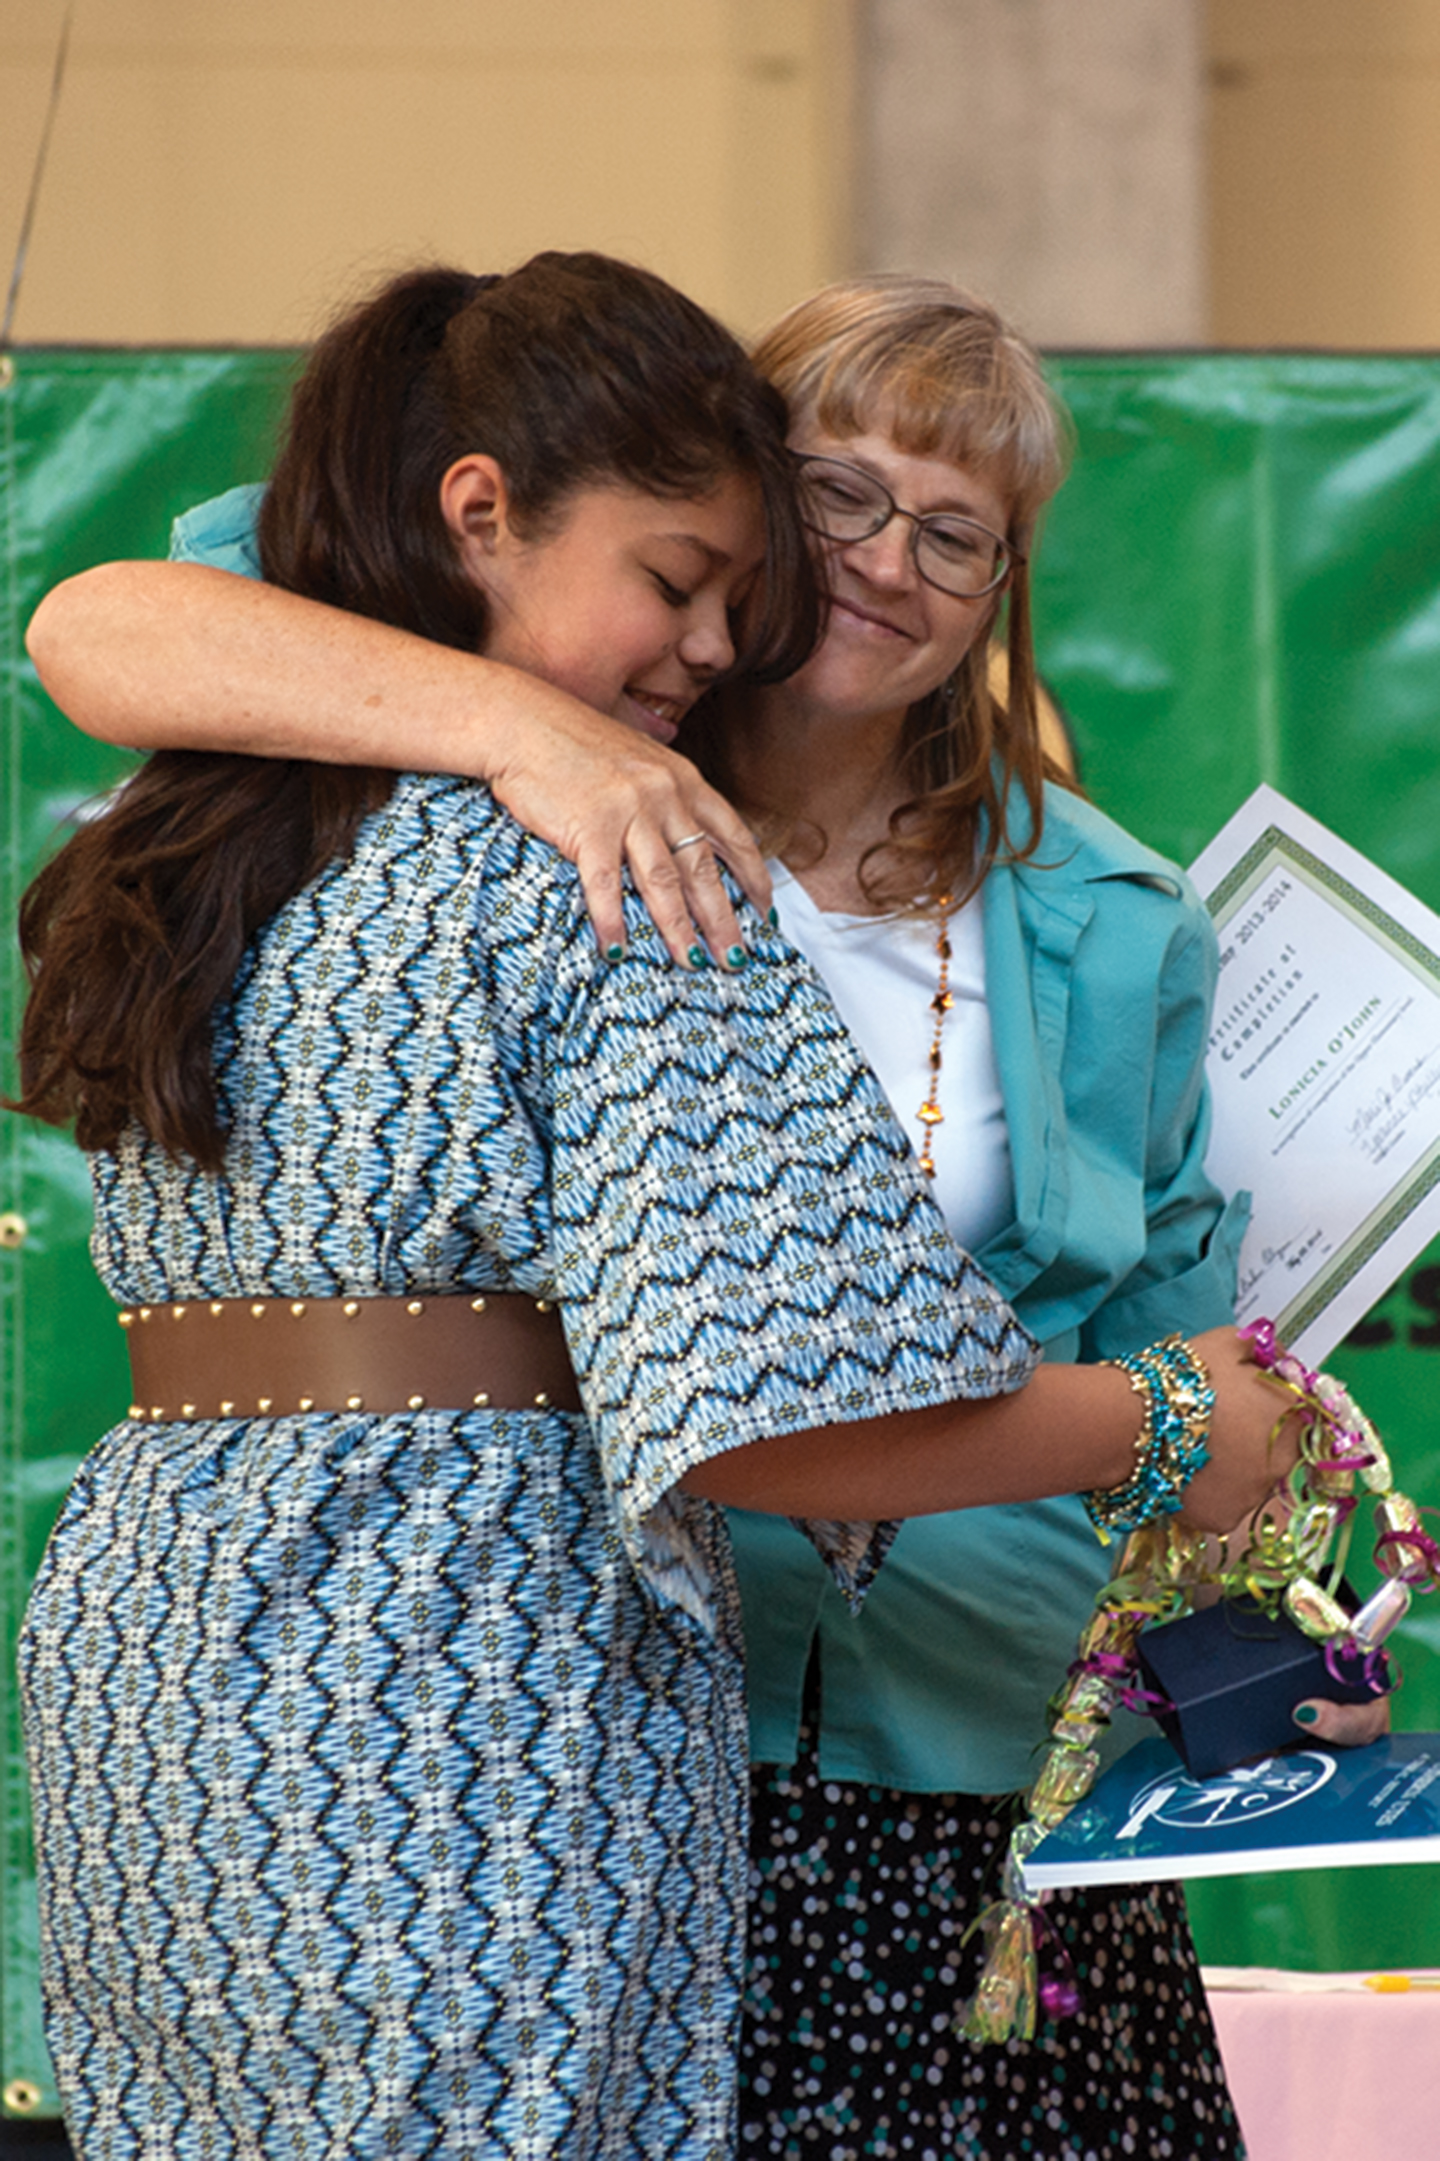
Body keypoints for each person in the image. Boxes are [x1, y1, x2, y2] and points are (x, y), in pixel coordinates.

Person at [12, 254, 1302, 2161]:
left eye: (960, 532)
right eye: (827, 500)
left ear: (1011, 589)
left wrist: (1253, 1644)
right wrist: (542, 735)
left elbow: (1164, 1331)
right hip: (552, 1692)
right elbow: (104, 618)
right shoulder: (602, 842)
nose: (880, 561)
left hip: (923, 1746)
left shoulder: (1102, 916)